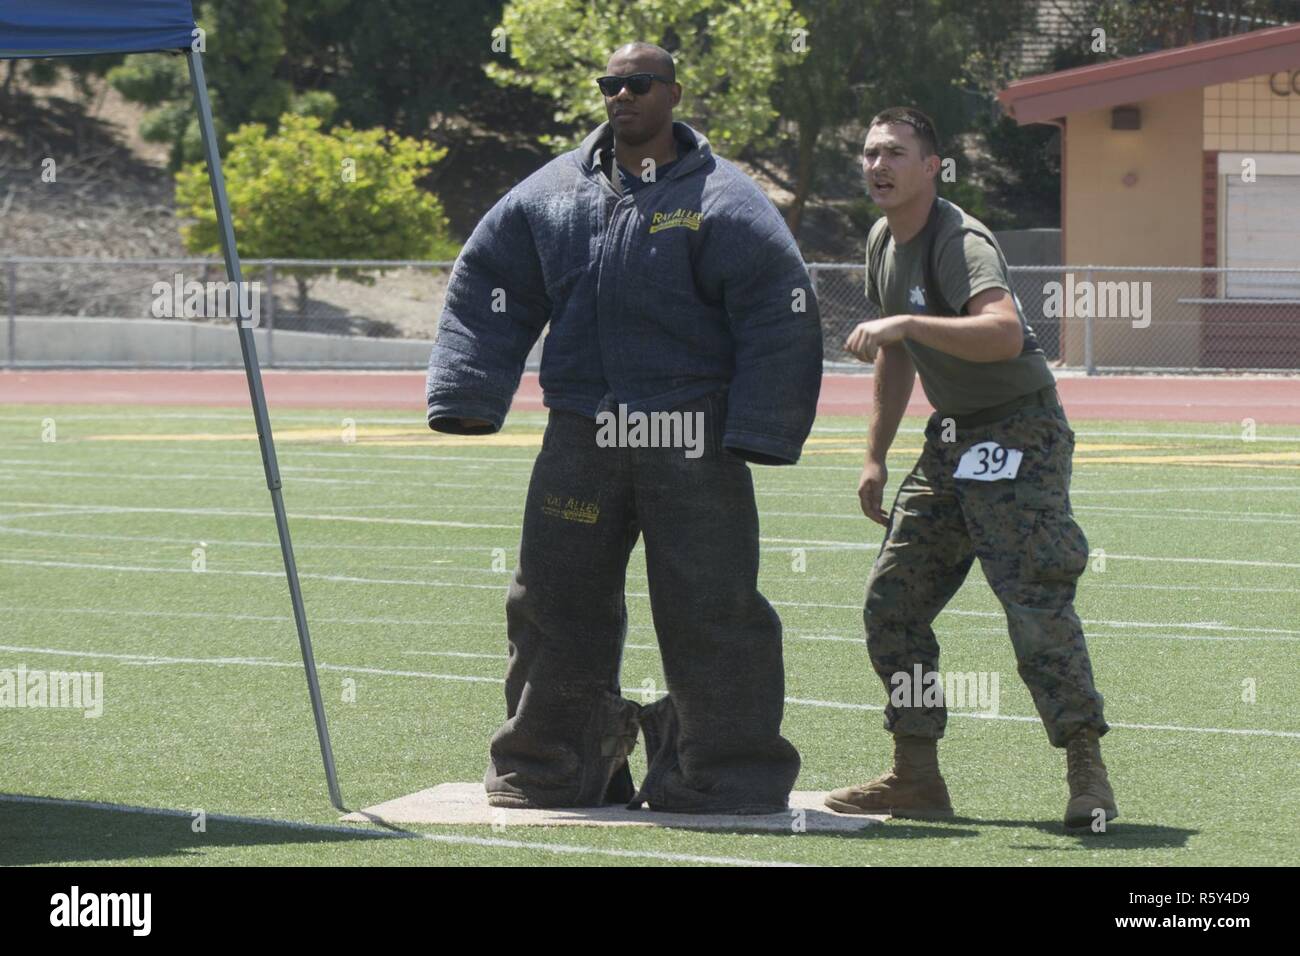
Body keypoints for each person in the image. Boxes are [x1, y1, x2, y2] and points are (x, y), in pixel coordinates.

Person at [425, 42, 823, 814]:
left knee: (711, 605)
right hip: (582, 432)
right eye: (610, 85)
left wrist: (763, 427)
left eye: (638, 84)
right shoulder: (552, 192)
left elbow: (780, 305)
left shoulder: (723, 199)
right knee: (551, 601)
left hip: (690, 436)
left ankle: (725, 773)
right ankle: (550, 766)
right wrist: (470, 391)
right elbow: (488, 280)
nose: (621, 95)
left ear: (672, 93)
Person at [826, 106, 1116, 830]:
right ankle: (916, 775)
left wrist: (909, 323)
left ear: (932, 166)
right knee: (892, 602)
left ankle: (1086, 768)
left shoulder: (961, 240)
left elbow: (1003, 333)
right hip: (951, 441)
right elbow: (895, 355)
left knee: (1032, 599)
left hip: (1019, 432)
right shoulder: (880, 241)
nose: (878, 166)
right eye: (869, 153)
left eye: (895, 152)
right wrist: (873, 454)